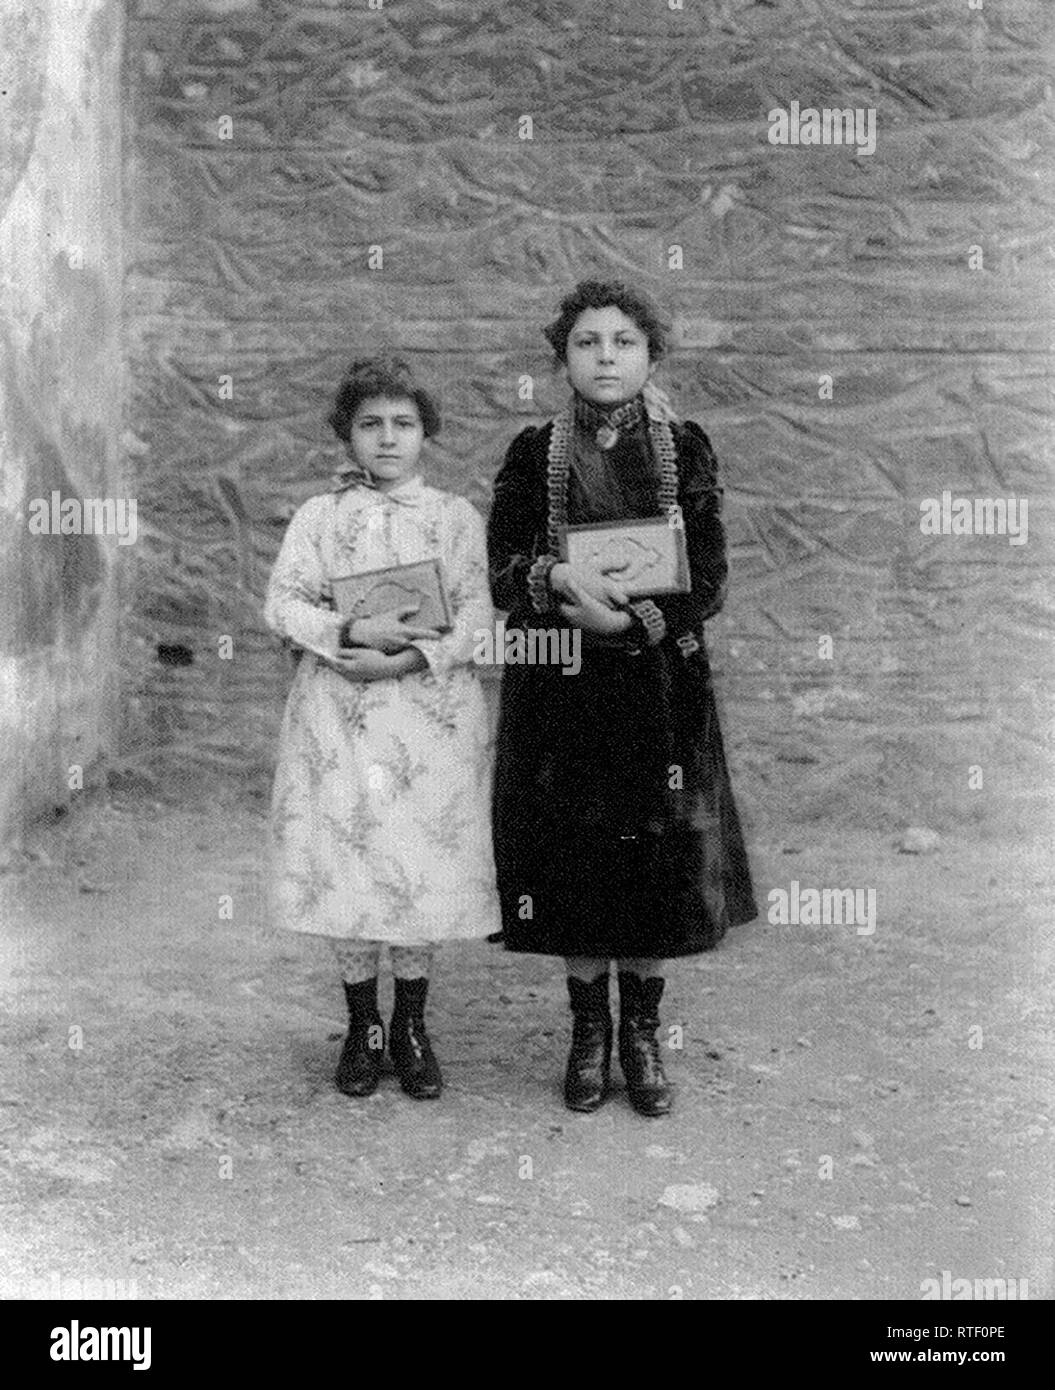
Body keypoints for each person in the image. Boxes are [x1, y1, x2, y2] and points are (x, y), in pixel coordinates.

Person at [487, 279, 758, 1117]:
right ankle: (585, 1034)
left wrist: (638, 613)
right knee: (573, 847)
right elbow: (499, 568)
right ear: (562, 357)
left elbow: (706, 576)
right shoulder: (534, 453)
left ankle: (639, 1035)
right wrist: (557, 576)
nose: (605, 357)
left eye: (623, 342)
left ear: (649, 355)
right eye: (587, 343)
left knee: (654, 849)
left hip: (657, 684)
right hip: (560, 684)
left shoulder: (685, 448)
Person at [264, 356, 499, 1100]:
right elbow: (284, 604)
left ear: (426, 433)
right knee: (350, 851)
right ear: (347, 435)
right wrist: (349, 629)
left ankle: (413, 1025)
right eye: (370, 425)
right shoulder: (320, 518)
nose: (387, 439)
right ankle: (363, 1026)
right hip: (339, 710)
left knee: (415, 854)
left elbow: (475, 616)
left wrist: (405, 661)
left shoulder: (454, 517)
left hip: (427, 714)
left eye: (403, 425)